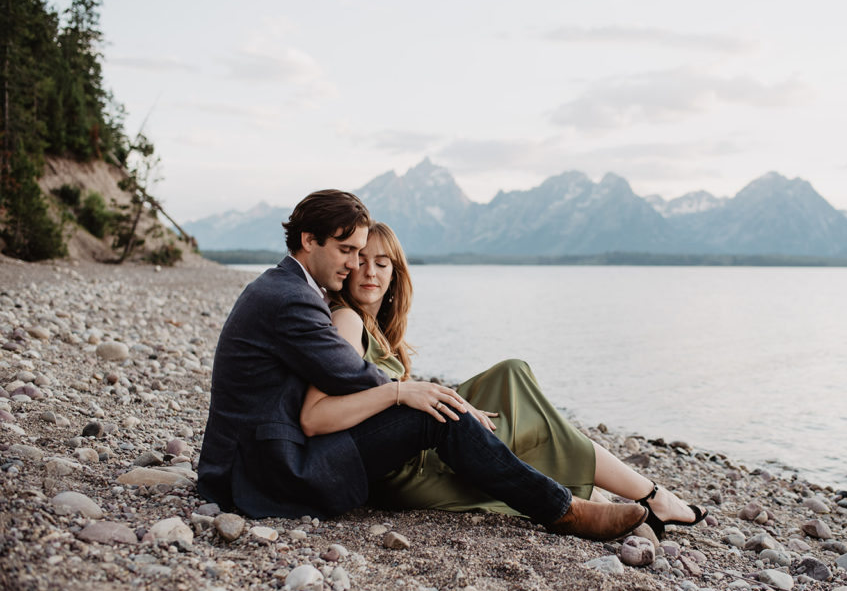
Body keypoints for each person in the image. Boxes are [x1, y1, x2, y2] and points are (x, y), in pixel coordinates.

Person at [197, 189, 647, 541]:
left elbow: (346, 378)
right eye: (347, 251)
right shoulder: (291, 299)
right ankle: (563, 510)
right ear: (308, 240)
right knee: (436, 416)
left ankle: (572, 492)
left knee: (439, 404)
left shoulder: (288, 290)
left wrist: (417, 390)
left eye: (365, 254)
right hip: (265, 474)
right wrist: (410, 390)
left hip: (264, 457)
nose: (356, 265)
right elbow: (349, 375)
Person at [300, 221, 707, 539]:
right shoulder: (348, 320)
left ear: (395, 275)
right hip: (406, 470)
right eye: (361, 261)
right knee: (520, 422)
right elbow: (324, 416)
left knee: (511, 374)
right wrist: (405, 393)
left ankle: (620, 494)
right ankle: (648, 497)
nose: (370, 272)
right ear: (347, 267)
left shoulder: (376, 329)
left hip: (417, 443)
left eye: (382, 263)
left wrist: (439, 401)